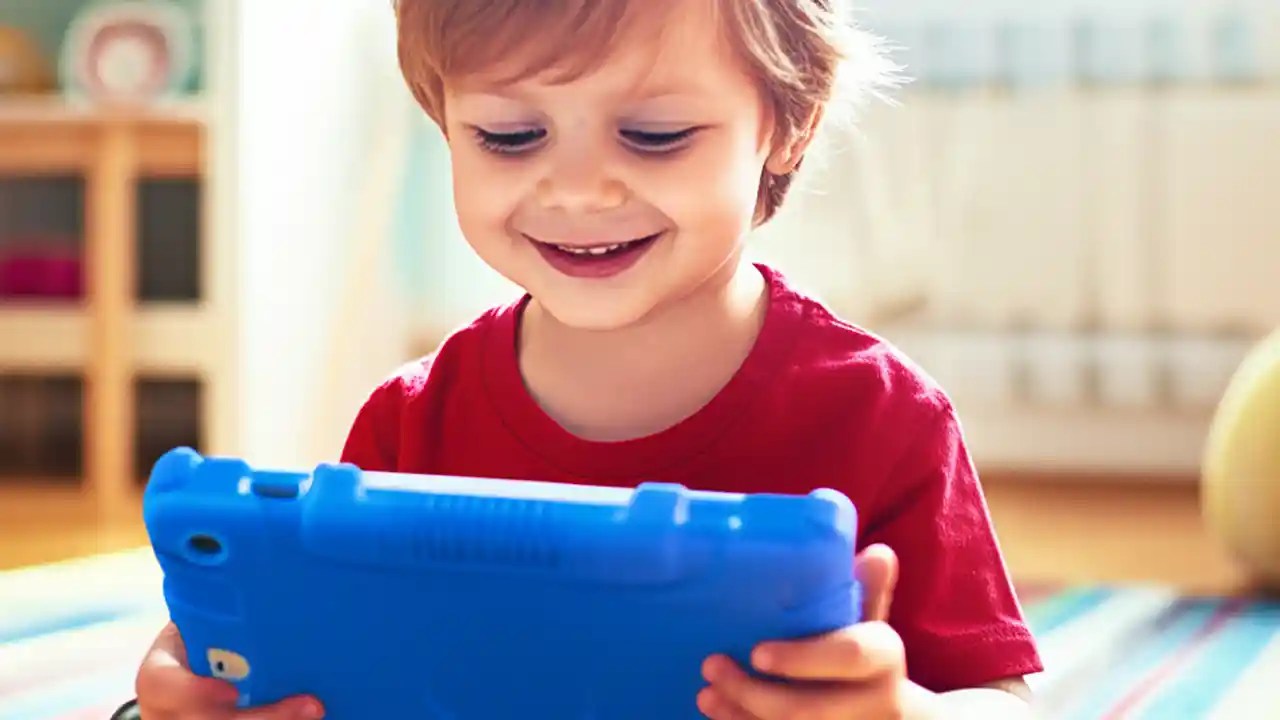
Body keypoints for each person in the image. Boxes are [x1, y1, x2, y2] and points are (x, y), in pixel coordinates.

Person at [126, 0, 1043, 717]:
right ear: (444, 122)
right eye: (510, 137)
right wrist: (179, 692)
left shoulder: (884, 419)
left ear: (785, 126)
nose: (576, 189)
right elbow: (289, 664)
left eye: (654, 135)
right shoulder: (410, 423)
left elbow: (1006, 708)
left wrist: (905, 711)